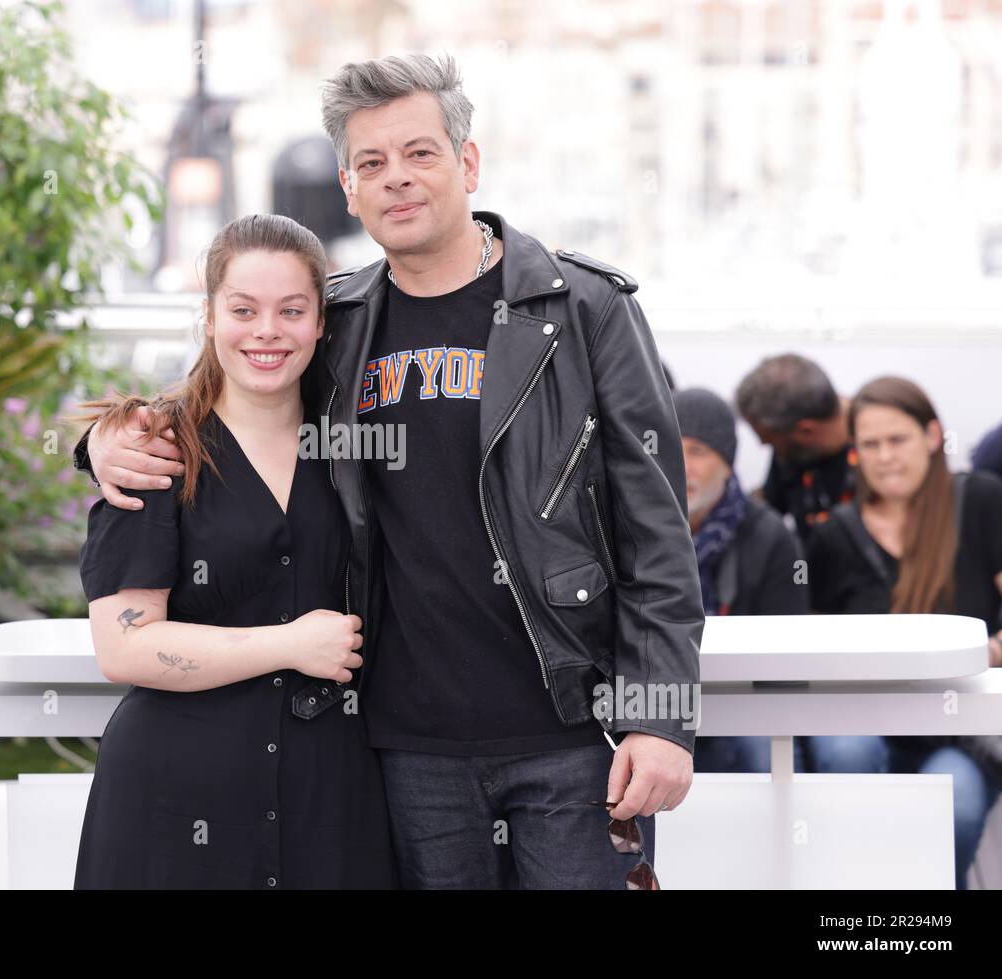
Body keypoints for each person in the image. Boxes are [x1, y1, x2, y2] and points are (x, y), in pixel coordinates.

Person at [73, 53, 703, 889]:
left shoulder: (583, 310)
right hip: (407, 750)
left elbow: (657, 531)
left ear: (467, 162)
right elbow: (239, 374)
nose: (396, 179)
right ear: (347, 186)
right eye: (371, 162)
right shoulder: (341, 320)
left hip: (570, 737)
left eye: (419, 153)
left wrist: (663, 719)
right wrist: (108, 439)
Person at [70, 213, 397, 889]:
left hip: (330, 804)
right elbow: (123, 647)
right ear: (211, 316)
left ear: (321, 322)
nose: (267, 331)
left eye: (292, 310)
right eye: (244, 309)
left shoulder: (356, 446)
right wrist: (287, 644)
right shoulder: (156, 450)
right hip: (174, 802)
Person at [806, 375, 1002, 889]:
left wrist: (991, 651)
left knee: (956, 801)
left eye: (898, 440)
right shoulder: (833, 536)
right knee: (844, 757)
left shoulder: (979, 501)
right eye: (870, 444)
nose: (885, 456)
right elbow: (815, 649)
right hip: (862, 724)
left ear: (933, 437)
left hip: (959, 733)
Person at [673, 388, 809, 775]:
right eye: (669, 447)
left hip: (748, 704)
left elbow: (786, 663)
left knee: (761, 748)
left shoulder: (770, 537)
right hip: (658, 702)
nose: (681, 465)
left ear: (728, 464)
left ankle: (781, 835)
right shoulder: (631, 531)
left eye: (698, 451)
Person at [734, 353, 857, 543]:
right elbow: (765, 509)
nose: (763, 446)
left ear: (805, 430)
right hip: (805, 571)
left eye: (770, 440)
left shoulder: (878, 449)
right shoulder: (791, 451)